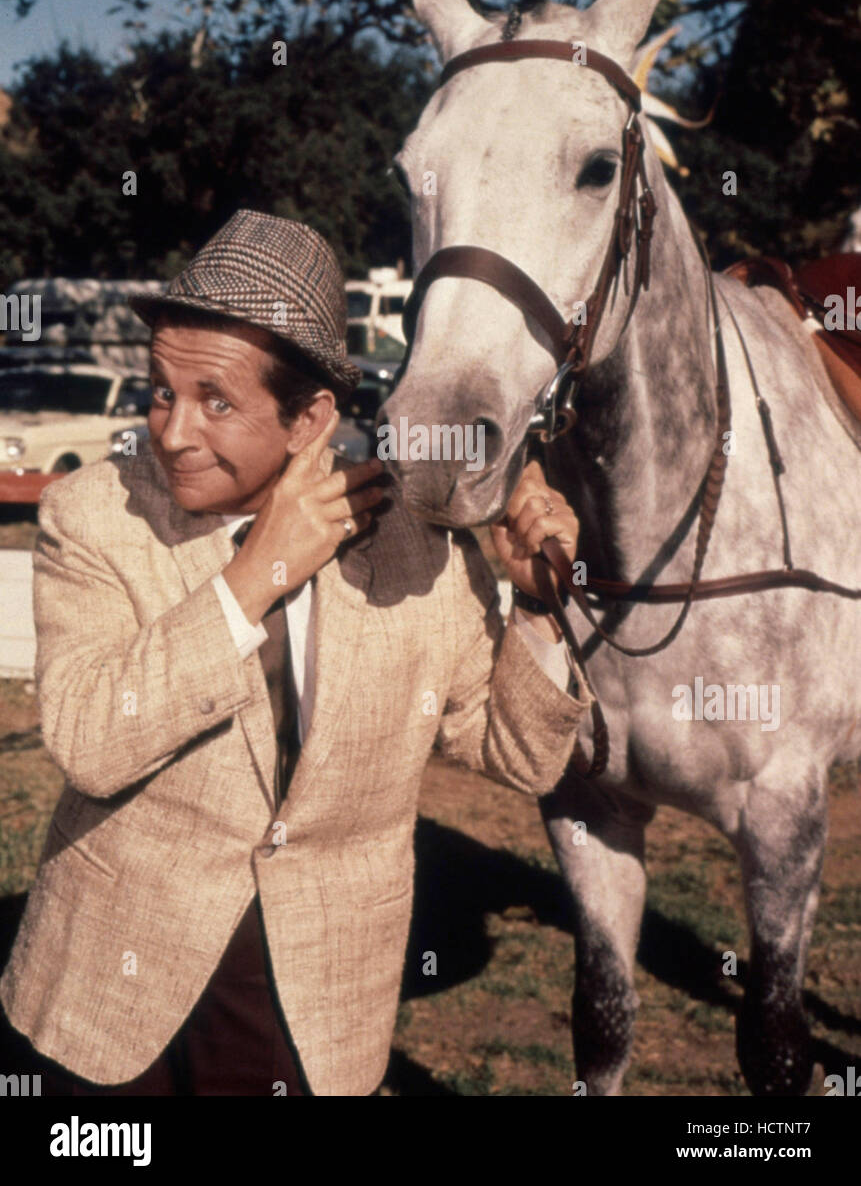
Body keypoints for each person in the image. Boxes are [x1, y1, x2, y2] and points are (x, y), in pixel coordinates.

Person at [0, 209, 592, 1097]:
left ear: (310, 418)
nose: (171, 431)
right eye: (164, 390)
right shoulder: (95, 515)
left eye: (218, 401)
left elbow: (518, 754)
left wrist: (539, 610)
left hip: (311, 1006)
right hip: (104, 998)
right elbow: (89, 740)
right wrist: (251, 577)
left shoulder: (414, 548)